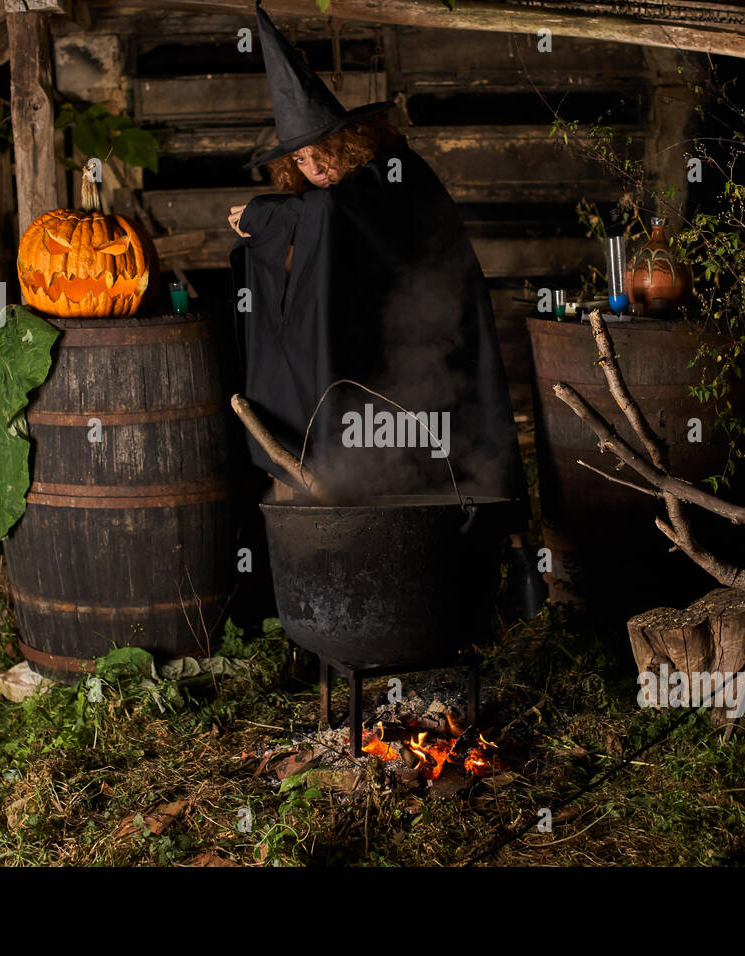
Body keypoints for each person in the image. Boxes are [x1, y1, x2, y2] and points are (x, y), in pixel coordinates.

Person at [229, 2, 545, 616]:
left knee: (454, 473)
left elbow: (333, 217)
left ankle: (491, 598)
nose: (313, 167)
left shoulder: (392, 177)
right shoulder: (340, 195)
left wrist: (262, 217)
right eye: (298, 160)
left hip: (440, 355)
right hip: (388, 364)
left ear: (352, 139)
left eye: (322, 151)